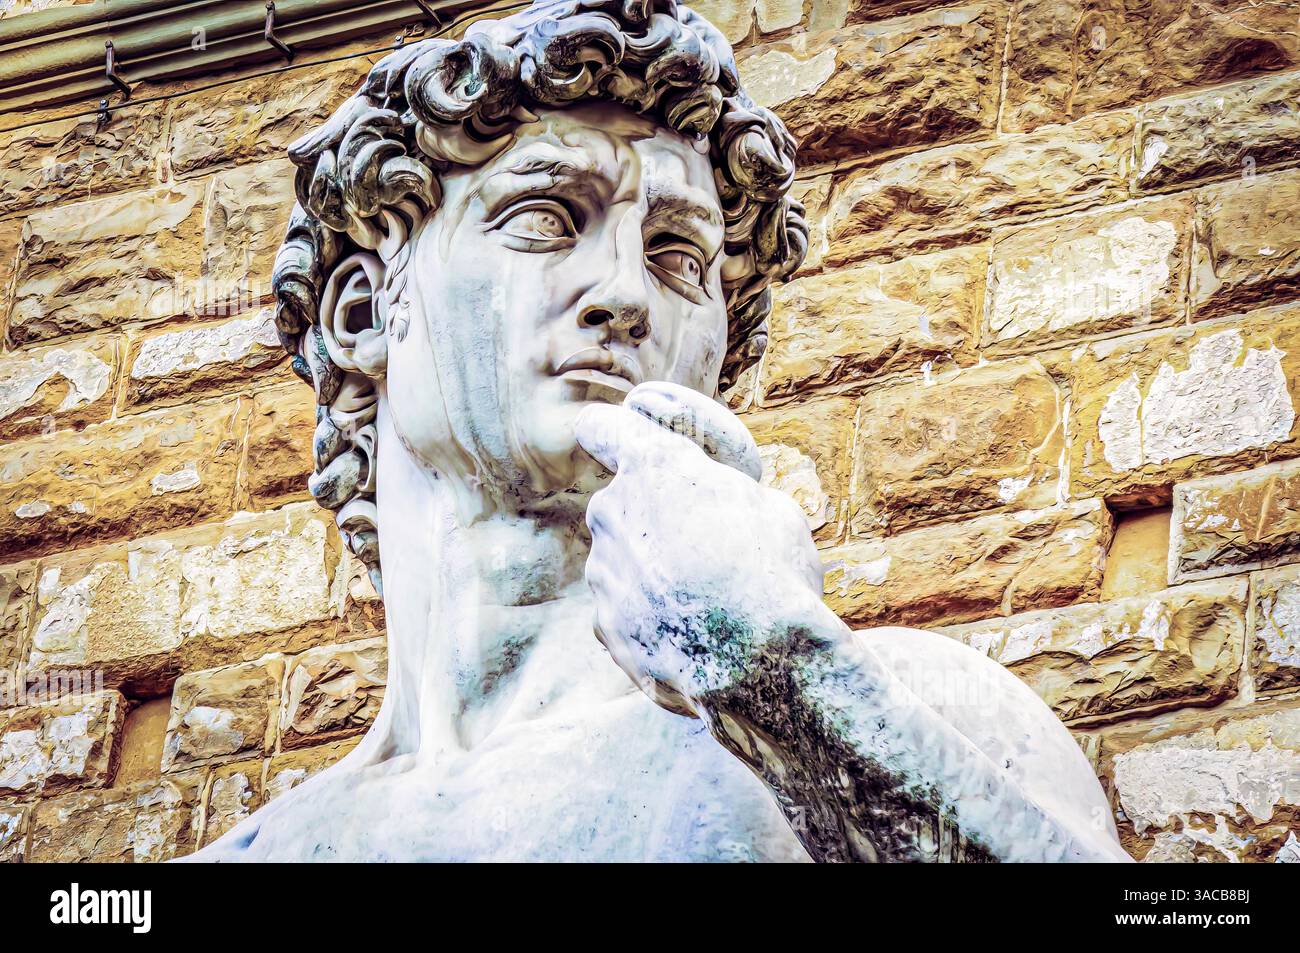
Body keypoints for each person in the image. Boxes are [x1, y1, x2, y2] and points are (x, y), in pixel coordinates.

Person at [193, 0, 1131, 862]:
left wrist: (786, 688)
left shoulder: (917, 719)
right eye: (548, 218)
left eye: (677, 256)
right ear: (362, 313)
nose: (626, 296)